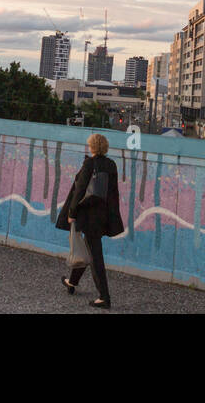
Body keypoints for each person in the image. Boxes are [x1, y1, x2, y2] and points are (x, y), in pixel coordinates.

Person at [55, 132, 124, 308]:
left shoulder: (89, 163)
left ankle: (104, 297)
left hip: (88, 215)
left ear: (92, 147)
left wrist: (71, 212)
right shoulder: (111, 165)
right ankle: (72, 282)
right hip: (103, 216)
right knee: (89, 247)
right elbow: (113, 193)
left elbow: (79, 190)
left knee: (95, 255)